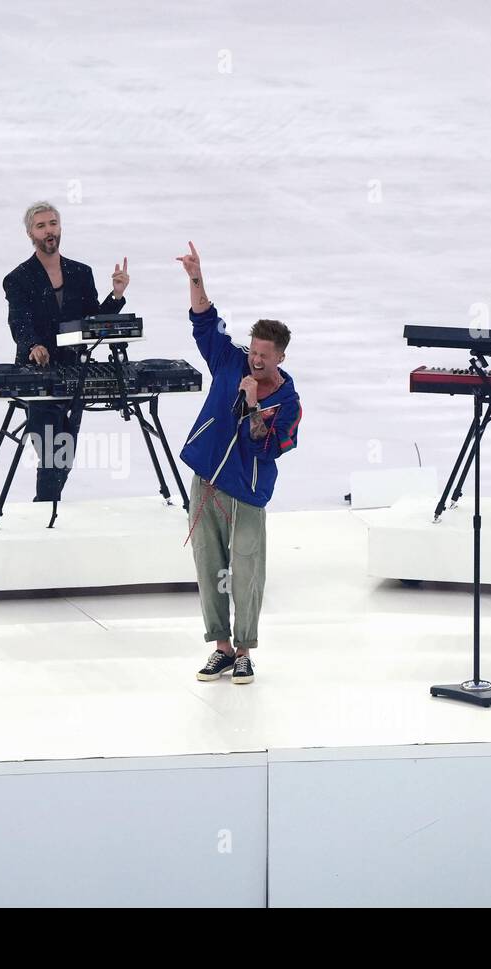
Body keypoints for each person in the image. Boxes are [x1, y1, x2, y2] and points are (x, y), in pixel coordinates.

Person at [176, 242, 302, 685]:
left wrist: (250, 406)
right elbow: (205, 325)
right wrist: (196, 277)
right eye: (253, 350)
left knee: (245, 571)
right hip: (207, 479)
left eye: (265, 354)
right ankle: (221, 648)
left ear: (281, 356)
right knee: (209, 565)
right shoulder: (230, 363)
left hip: (246, 494)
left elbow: (265, 449)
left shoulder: (288, 403)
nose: (255, 358)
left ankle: (245, 649)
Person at [2, 201, 129, 502]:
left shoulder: (81, 273)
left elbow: (93, 322)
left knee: (65, 456)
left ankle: (46, 511)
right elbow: (19, 321)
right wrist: (33, 345)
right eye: (41, 226)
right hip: (38, 375)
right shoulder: (18, 278)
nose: (49, 231)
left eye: (53, 224)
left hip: (75, 371)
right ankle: (46, 512)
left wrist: (117, 295)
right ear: (30, 233)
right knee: (50, 455)